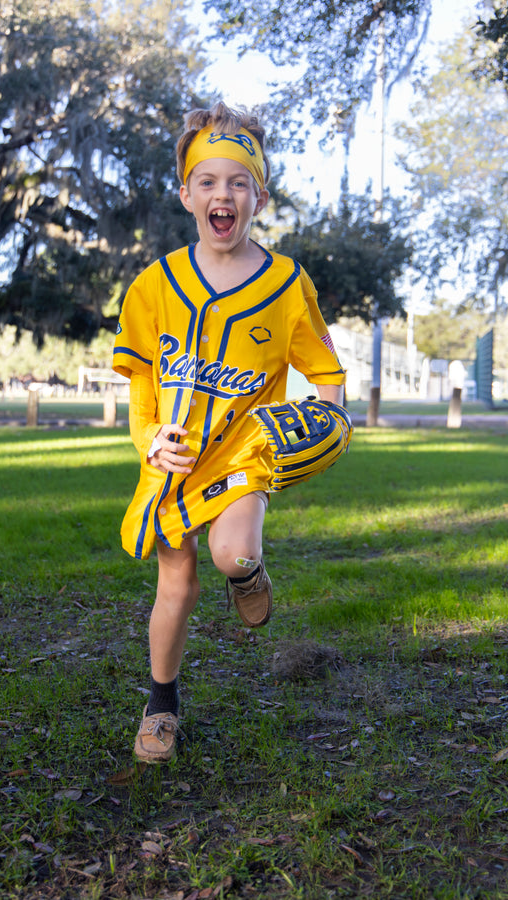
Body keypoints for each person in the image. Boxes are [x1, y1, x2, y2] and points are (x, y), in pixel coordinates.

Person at [112, 101, 346, 764]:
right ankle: (162, 706)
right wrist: (149, 439)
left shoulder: (284, 283)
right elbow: (139, 384)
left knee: (231, 555)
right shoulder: (153, 286)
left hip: (246, 449)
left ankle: (249, 574)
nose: (224, 194)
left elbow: (325, 369)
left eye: (238, 182)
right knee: (177, 582)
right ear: (186, 194)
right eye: (208, 181)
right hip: (176, 457)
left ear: (260, 197)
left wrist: (329, 415)